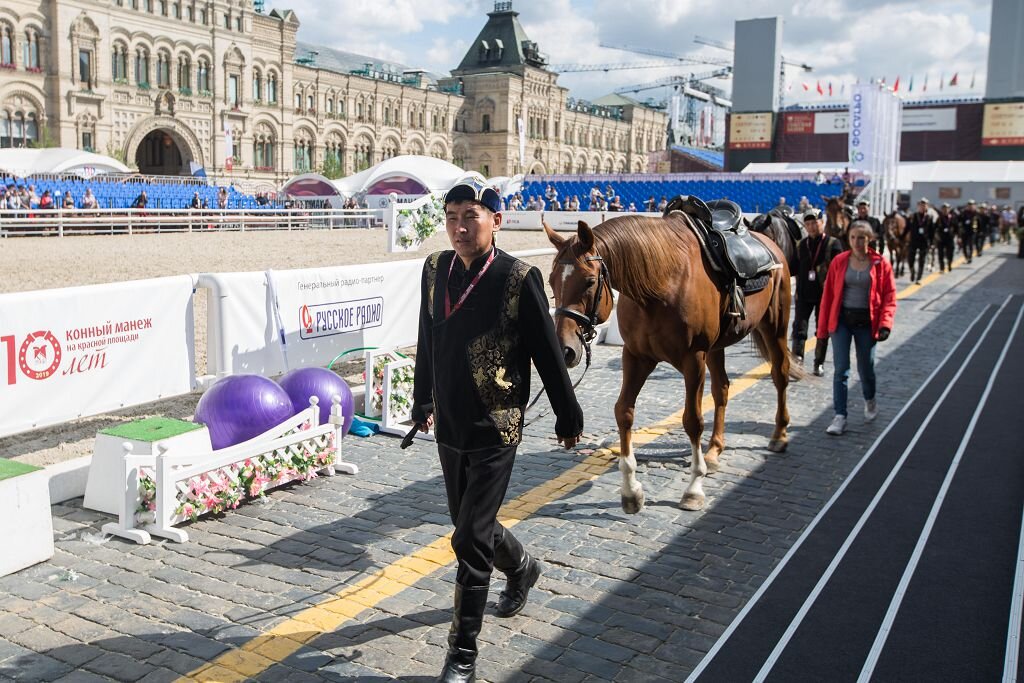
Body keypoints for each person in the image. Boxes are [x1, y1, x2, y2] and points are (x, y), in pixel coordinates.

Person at [411, 179, 584, 682]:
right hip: (450, 422)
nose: (460, 227)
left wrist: (566, 413)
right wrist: (424, 397)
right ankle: (523, 566)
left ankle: (461, 654)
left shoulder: (517, 277)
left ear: (496, 221)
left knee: (468, 538)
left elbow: (547, 351)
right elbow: (428, 335)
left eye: (470, 216)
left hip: (496, 423)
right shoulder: (434, 269)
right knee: (472, 525)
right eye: (451, 217)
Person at [817, 222, 897, 436]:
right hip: (842, 321)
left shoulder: (881, 264)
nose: (857, 242)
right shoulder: (839, 261)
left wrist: (885, 325)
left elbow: (889, 297)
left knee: (866, 369)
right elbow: (828, 297)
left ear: (869, 239)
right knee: (841, 369)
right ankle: (840, 416)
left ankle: (870, 399)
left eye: (861, 238)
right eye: (853, 237)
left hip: (867, 324)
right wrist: (822, 329)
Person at [793, 208, 844, 376]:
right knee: (799, 328)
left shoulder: (833, 244)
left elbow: (840, 271)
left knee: (822, 330)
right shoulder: (801, 245)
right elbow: (794, 268)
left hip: (824, 295)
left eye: (815, 223)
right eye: (808, 224)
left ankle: (818, 362)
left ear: (822, 223)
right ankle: (797, 359)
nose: (812, 227)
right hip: (803, 293)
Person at [905, 198, 934, 283]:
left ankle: (919, 277)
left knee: (922, 260)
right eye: (921, 205)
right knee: (910, 258)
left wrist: (931, 243)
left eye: (924, 205)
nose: (922, 207)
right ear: (918, 206)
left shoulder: (929, 218)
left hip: (924, 242)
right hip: (914, 240)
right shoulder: (913, 216)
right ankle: (912, 271)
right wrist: (902, 237)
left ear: (927, 207)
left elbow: (932, 231)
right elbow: (907, 228)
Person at [957, 199, 982, 263]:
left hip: (972, 232)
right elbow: (959, 221)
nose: (971, 206)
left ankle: (970, 257)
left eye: (972, 205)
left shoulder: (976, 213)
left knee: (971, 245)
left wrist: (979, 231)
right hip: (964, 231)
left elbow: (979, 223)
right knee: (964, 246)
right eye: (969, 205)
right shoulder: (964, 213)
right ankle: (966, 256)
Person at [935, 203, 957, 272]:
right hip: (941, 239)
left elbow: (957, 228)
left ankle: (949, 264)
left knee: (950, 253)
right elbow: (935, 228)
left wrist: (956, 236)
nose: (945, 210)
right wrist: (937, 236)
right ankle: (942, 267)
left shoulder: (952, 218)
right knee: (940, 254)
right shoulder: (939, 218)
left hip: (950, 238)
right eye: (944, 209)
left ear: (949, 209)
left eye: (947, 208)